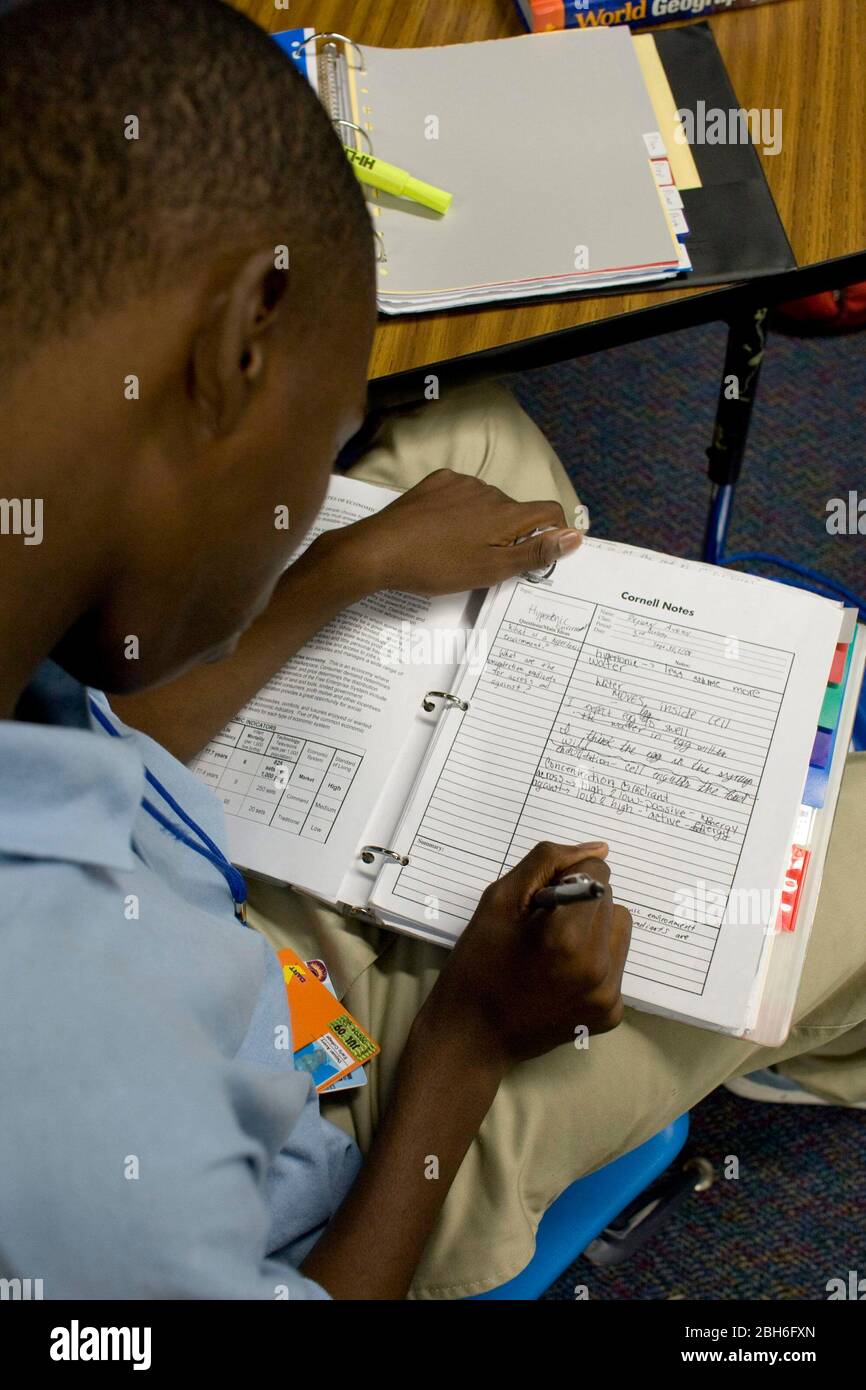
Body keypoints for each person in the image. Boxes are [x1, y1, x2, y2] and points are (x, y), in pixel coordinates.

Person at [1, 0, 863, 1302]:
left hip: (194, 900)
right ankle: (793, 1038)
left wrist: (349, 562)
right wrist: (467, 1033)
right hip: (338, 1153)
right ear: (240, 345)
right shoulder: (86, 1116)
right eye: (327, 423)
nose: (326, 469)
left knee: (462, 446)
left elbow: (75, 751)